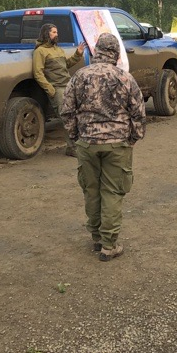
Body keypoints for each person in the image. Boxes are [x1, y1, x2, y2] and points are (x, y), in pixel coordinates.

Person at [61, 33, 146, 262]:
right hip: (117, 144)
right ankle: (109, 245)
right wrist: (133, 138)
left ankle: (97, 237)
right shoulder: (125, 78)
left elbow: (67, 110)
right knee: (112, 191)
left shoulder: (80, 76)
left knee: (91, 190)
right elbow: (138, 112)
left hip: (87, 143)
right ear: (116, 53)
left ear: (95, 50)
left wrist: (76, 136)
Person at [32, 23, 86, 156]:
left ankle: (79, 144)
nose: (57, 35)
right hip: (57, 88)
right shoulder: (40, 51)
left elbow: (65, 65)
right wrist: (50, 89)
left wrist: (77, 54)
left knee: (77, 114)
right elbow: (38, 73)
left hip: (68, 85)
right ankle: (72, 148)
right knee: (66, 118)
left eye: (57, 32)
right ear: (47, 34)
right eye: (54, 32)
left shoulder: (58, 49)